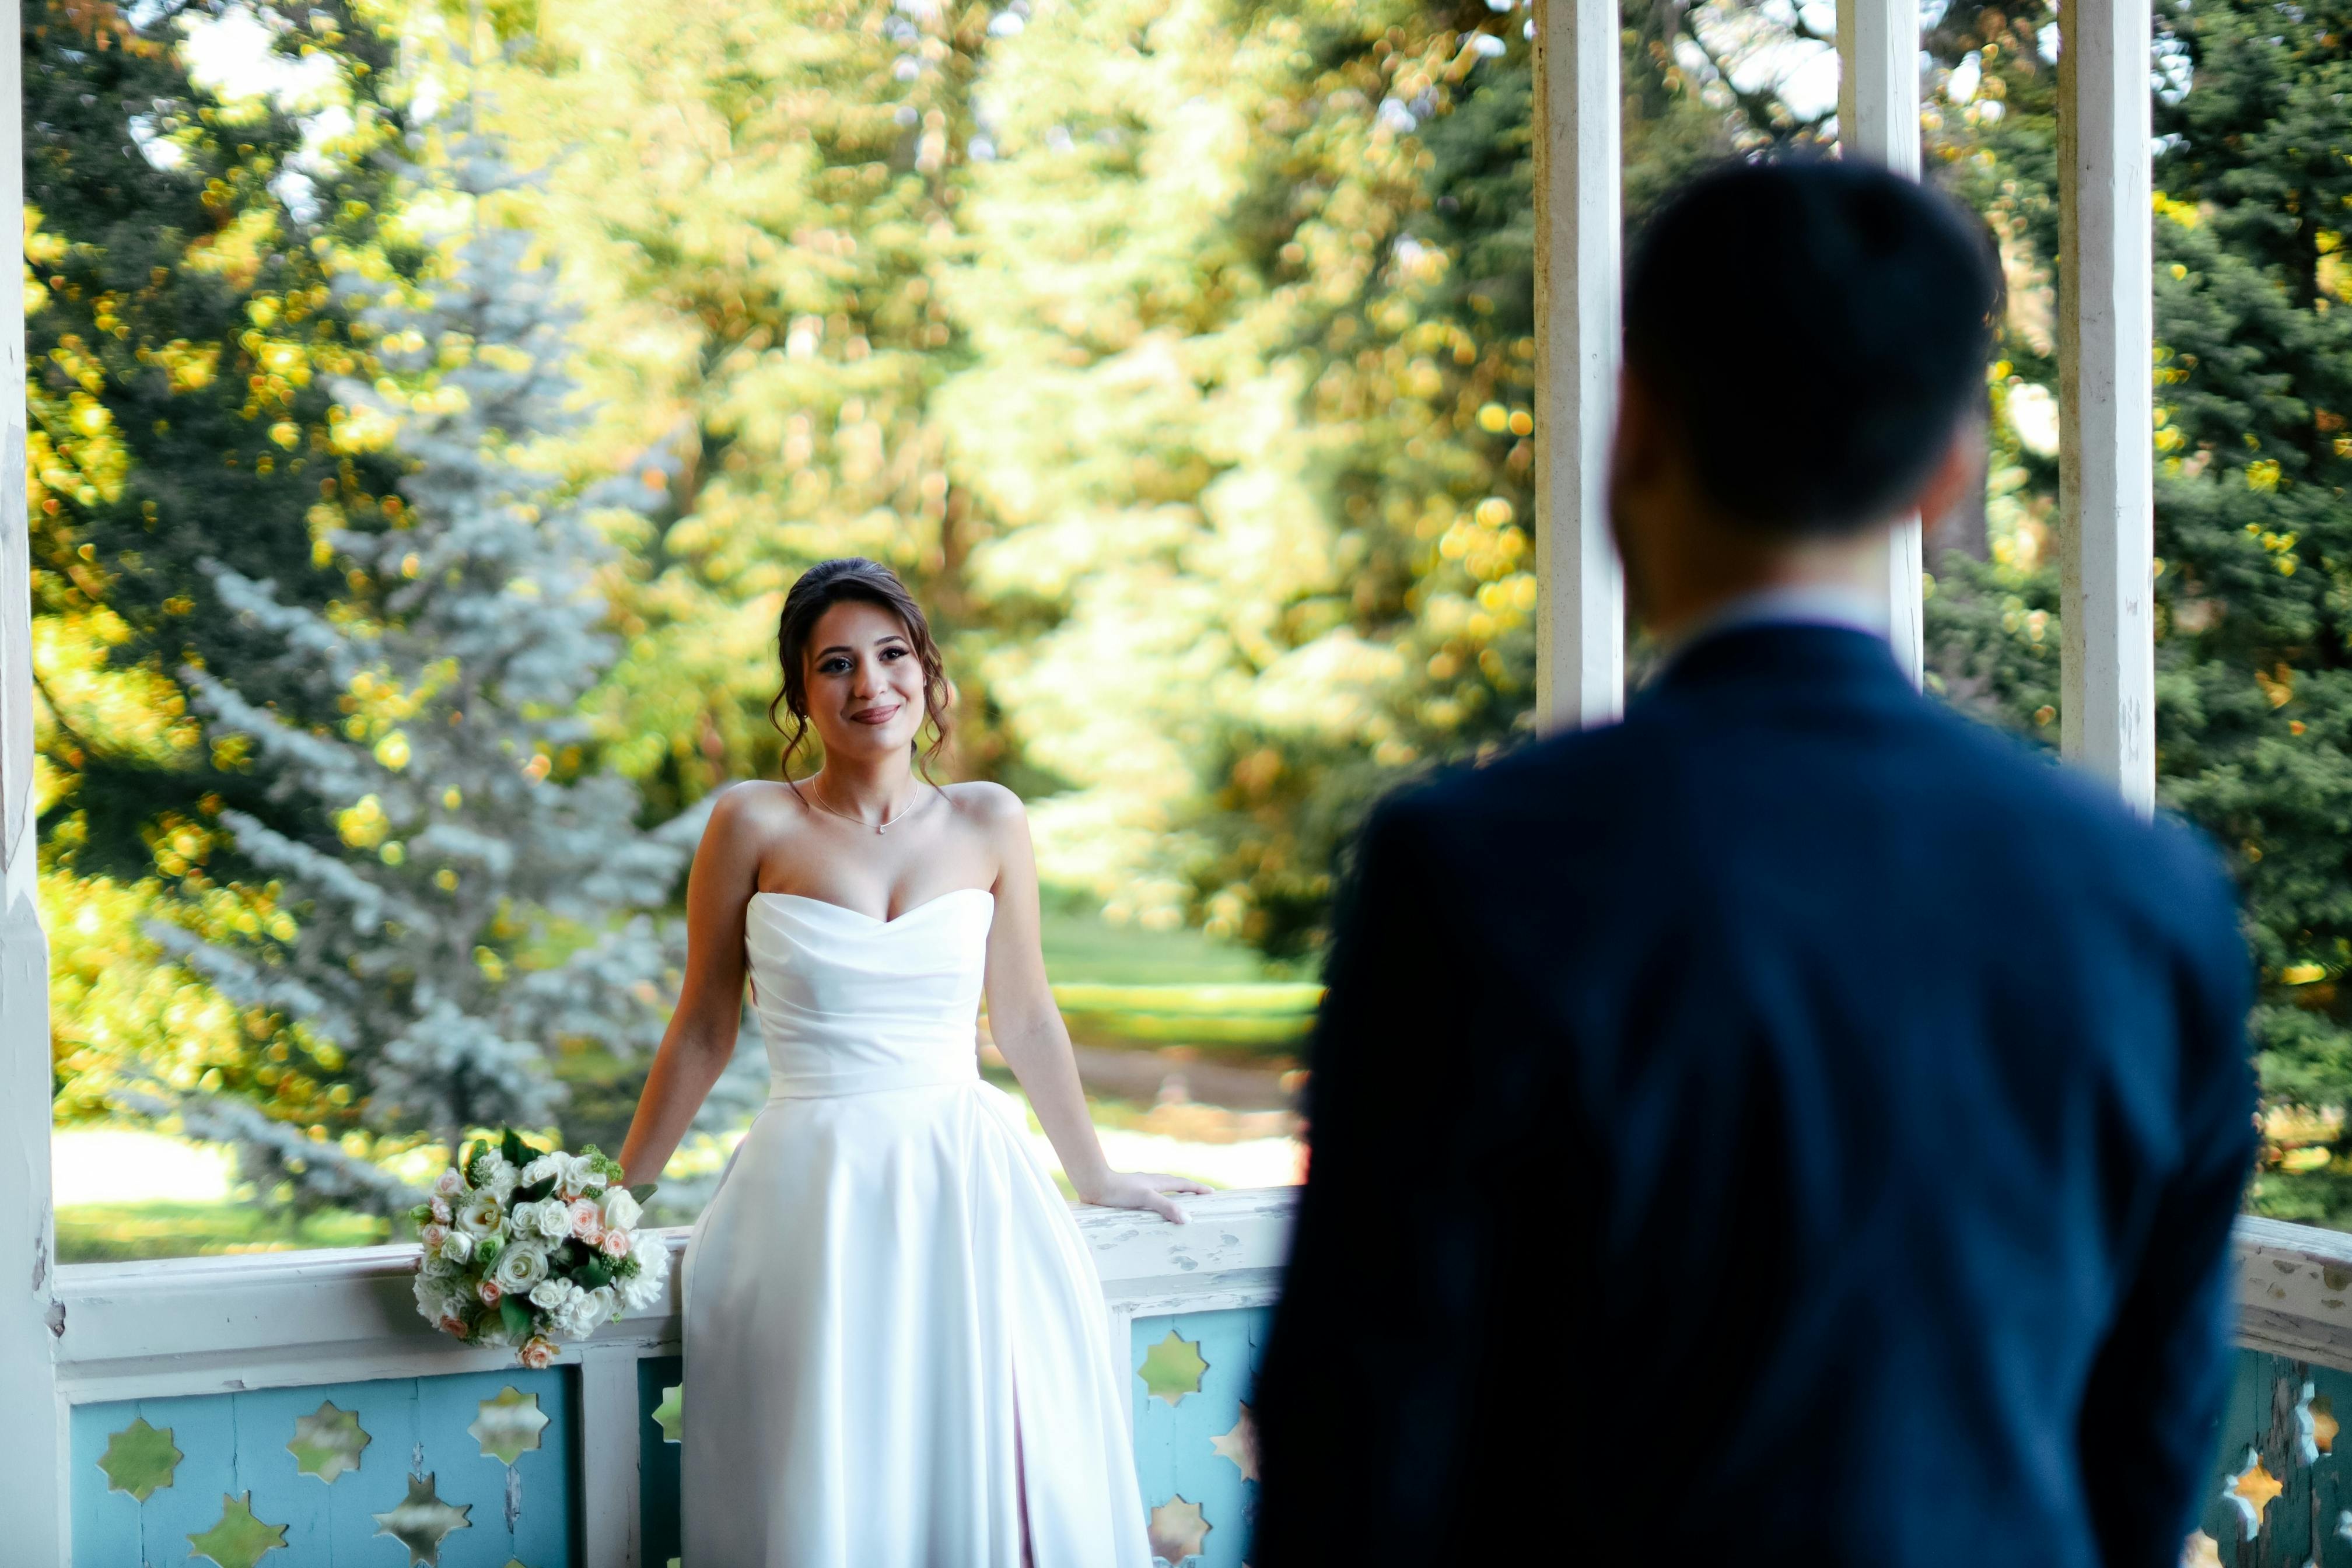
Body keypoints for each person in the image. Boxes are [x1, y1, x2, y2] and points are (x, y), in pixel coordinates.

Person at [1252, 158, 2256, 1564]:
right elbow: (2151, 1436)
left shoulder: (1477, 874)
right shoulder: (2153, 903)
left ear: (1635, 429)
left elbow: (1359, 1437)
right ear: (1947, 473)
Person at [618, 557, 1206, 1567]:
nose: (870, 684)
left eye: (893, 656)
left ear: (929, 674)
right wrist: (619, 1194)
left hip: (969, 1186)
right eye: (836, 664)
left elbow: (1024, 1017)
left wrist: (1096, 1173)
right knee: (831, 1469)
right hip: (815, 1196)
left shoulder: (990, 820)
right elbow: (705, 1027)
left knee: (979, 1455)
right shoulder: (750, 822)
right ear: (801, 694)